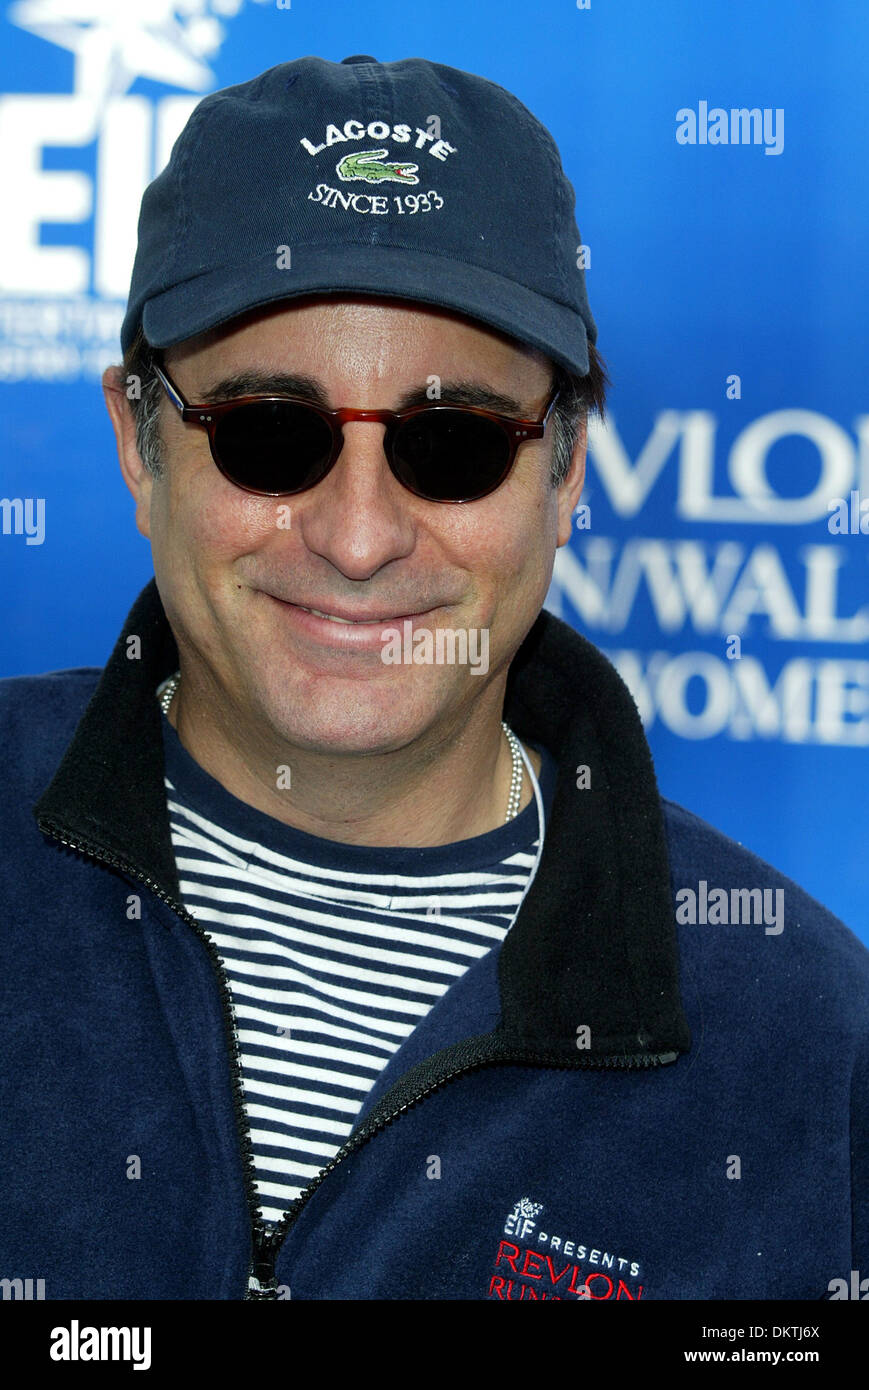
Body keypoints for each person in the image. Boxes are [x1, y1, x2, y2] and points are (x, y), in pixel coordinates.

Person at [2, 54, 867, 1304]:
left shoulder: (806, 1049)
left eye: (452, 443)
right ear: (137, 443)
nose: (358, 538)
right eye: (266, 431)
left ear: (565, 475)